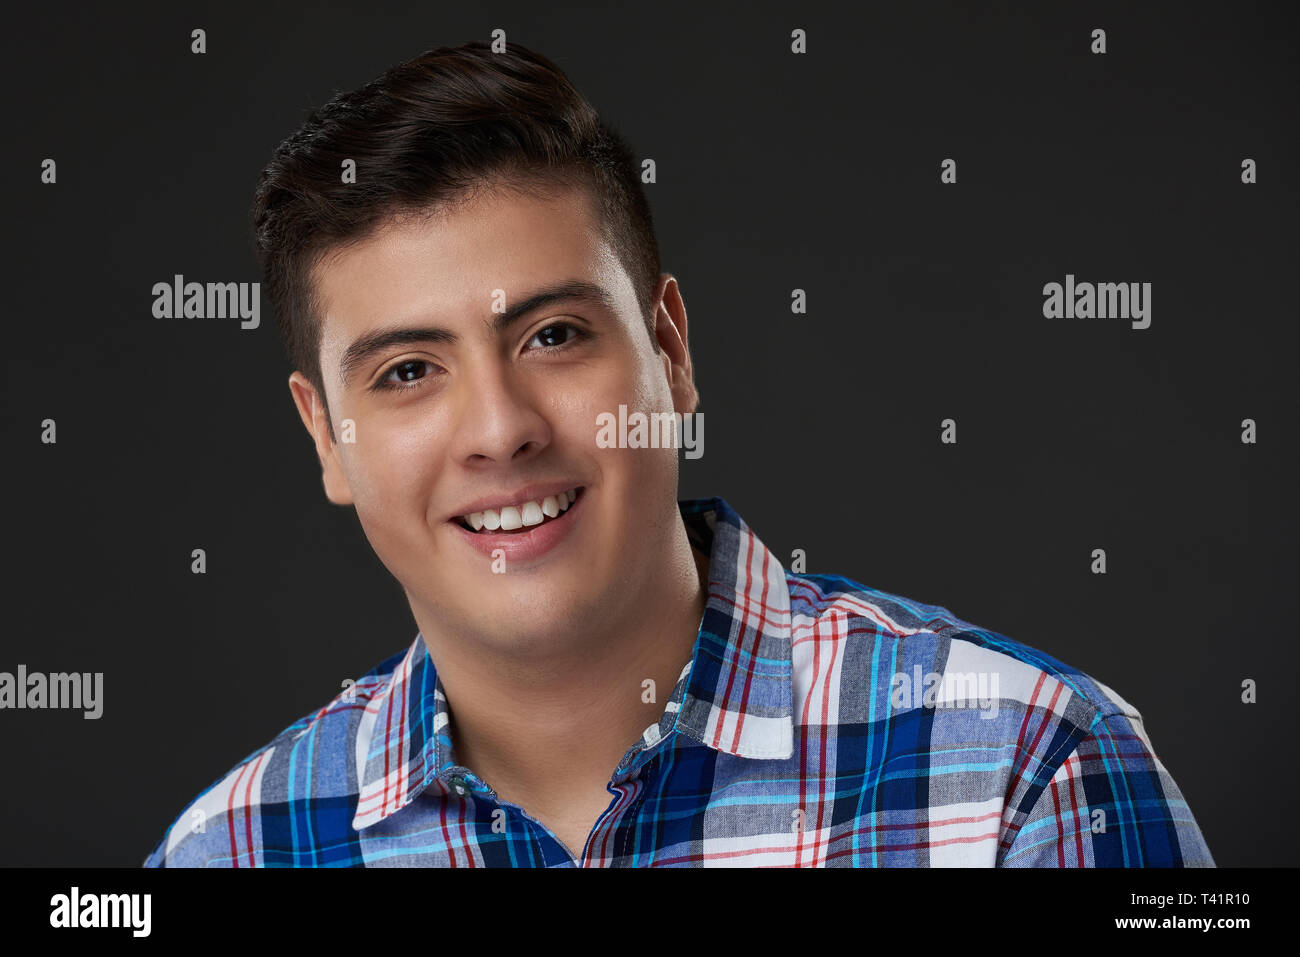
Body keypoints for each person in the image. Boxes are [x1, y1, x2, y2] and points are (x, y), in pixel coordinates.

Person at [144, 40, 1213, 867]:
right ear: (326, 439)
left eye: (552, 336)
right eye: (408, 371)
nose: (499, 428)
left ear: (669, 352)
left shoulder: (1029, 773)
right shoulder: (228, 851)